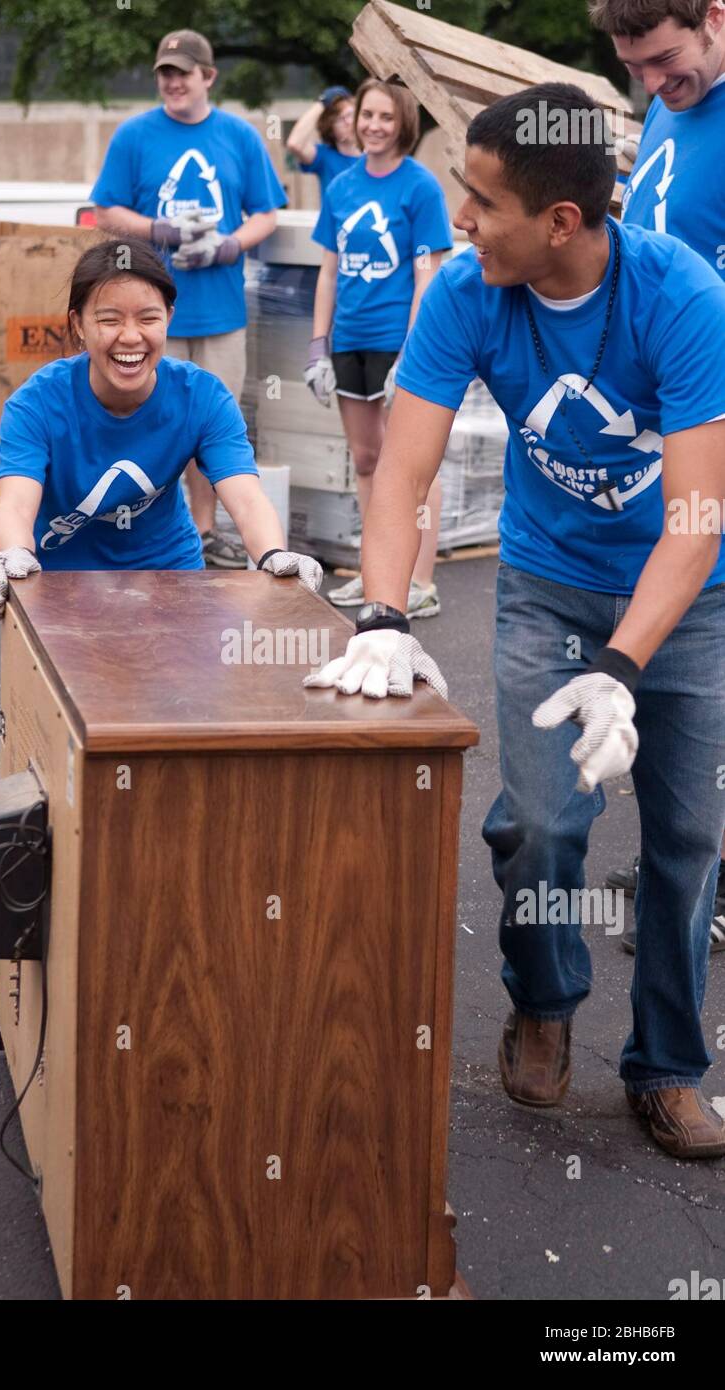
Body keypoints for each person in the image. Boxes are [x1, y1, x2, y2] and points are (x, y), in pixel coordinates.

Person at [306, 83, 725, 1159]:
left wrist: (626, 667)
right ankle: (543, 998)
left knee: (688, 837)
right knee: (541, 824)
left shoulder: (682, 298)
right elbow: (401, 471)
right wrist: (385, 613)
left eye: (481, 201)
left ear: (562, 223)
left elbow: (695, 521)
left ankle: (669, 1063)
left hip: (686, 602)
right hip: (546, 586)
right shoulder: (464, 292)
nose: (459, 219)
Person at [0, 238, 321, 616]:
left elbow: (247, 499)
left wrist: (274, 556)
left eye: (148, 318)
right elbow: (14, 505)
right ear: (78, 324)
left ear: (169, 318)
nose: (130, 336)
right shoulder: (36, 404)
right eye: (109, 319)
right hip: (57, 580)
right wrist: (13, 556)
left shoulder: (202, 397)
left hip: (170, 575)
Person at [590, 0, 725, 956]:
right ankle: (689, 857)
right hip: (677, 414)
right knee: (684, 651)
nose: (652, 82)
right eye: (634, 66)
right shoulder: (672, 101)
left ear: (715, 17)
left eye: (667, 60)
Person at [89, 29, 286, 570]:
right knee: (150, 423)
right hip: (150, 318)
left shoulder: (240, 137)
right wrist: (160, 230)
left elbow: (267, 213)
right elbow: (105, 209)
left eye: (183, 73)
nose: (172, 83)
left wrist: (229, 245)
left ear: (208, 77)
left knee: (212, 426)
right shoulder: (134, 136)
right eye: (165, 74)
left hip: (221, 309)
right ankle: (143, 532)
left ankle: (204, 531)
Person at [304, 78, 452, 620]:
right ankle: (377, 574)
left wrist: (412, 351)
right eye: (367, 115)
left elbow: (425, 275)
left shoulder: (420, 187)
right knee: (367, 461)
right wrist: (319, 344)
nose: (373, 126)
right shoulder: (342, 186)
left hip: (398, 341)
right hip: (350, 340)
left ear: (404, 124)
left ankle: (418, 580)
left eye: (386, 117)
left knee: (412, 464)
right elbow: (327, 269)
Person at [284, 86, 361, 199]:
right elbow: (294, 143)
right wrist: (322, 102)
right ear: (330, 130)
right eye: (340, 119)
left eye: (351, 114)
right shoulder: (325, 156)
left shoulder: (374, 155)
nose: (349, 122)